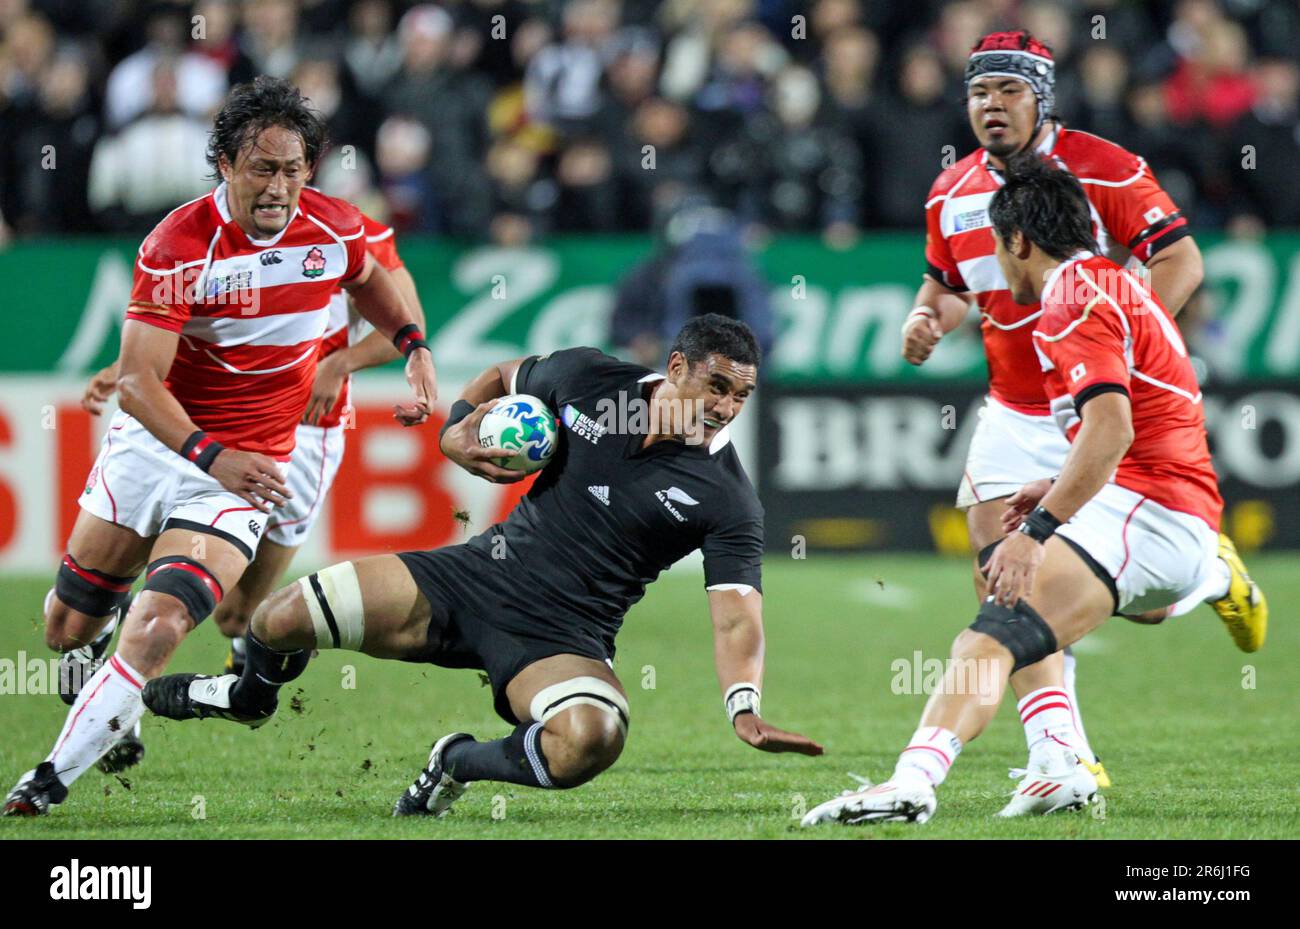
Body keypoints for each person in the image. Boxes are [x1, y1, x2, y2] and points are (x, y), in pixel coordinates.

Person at [143, 314, 823, 817]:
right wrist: (457, 429)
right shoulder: (591, 380)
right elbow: (506, 375)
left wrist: (744, 707)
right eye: (718, 386)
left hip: (562, 637)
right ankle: (246, 696)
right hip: (473, 577)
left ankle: (456, 759)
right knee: (277, 616)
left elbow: (738, 615)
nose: (727, 407)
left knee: (592, 736)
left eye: (742, 395)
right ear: (677, 367)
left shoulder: (728, 496)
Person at [3, 77, 437, 817]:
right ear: (225, 165)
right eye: (262, 169)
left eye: (294, 169)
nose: (280, 187)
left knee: (164, 620)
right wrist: (211, 453)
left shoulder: (333, 229)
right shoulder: (177, 243)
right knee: (64, 626)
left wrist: (411, 345)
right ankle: (97, 655)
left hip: (246, 469)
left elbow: (373, 280)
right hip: (157, 448)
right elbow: (140, 383)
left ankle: (45, 782)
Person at [802, 156, 1264, 827]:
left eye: (996, 244)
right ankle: (1058, 764)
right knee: (1031, 618)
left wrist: (1038, 529)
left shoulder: (1070, 303)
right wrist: (1055, 485)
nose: (996, 259)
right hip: (1166, 515)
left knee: (996, 624)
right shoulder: (1115, 284)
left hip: (1152, 517)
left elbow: (1111, 425)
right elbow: (1134, 423)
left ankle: (913, 783)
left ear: (1019, 240)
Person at [897, 30, 1263, 797]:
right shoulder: (950, 192)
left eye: (1008, 91)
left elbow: (1181, 258)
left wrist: (1126, 339)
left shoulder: (1106, 167)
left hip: (1097, 404)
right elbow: (947, 289)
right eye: (977, 93)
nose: (990, 107)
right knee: (1004, 584)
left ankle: (1207, 570)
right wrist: (926, 319)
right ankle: (1059, 757)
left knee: (1123, 590)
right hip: (1014, 408)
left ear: (1043, 98)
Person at [76, 212, 425, 694]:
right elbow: (195, 320)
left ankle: (236, 665)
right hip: (220, 421)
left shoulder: (352, 230)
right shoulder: (222, 229)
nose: (279, 183)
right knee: (155, 563)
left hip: (307, 436)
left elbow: (408, 323)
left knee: (237, 613)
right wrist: (127, 366)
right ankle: (119, 643)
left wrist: (338, 365)